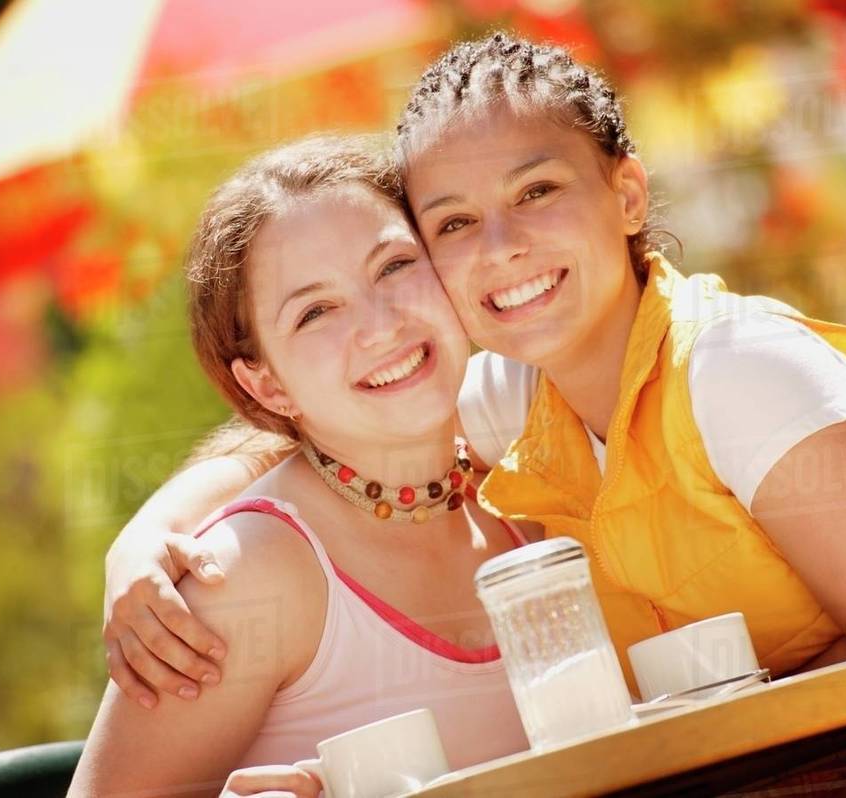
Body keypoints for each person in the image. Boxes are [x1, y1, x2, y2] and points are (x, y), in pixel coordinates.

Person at [99, 34, 846, 713]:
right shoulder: (520, 397)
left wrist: (693, 724)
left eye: (537, 192)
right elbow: (321, 435)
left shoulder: (735, 372)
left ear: (628, 194)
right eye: (452, 224)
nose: (503, 249)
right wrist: (144, 540)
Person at [68, 137, 530, 798]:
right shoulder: (246, 578)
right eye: (316, 312)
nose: (381, 325)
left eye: (395, 265)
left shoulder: (527, 485)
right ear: (267, 387)